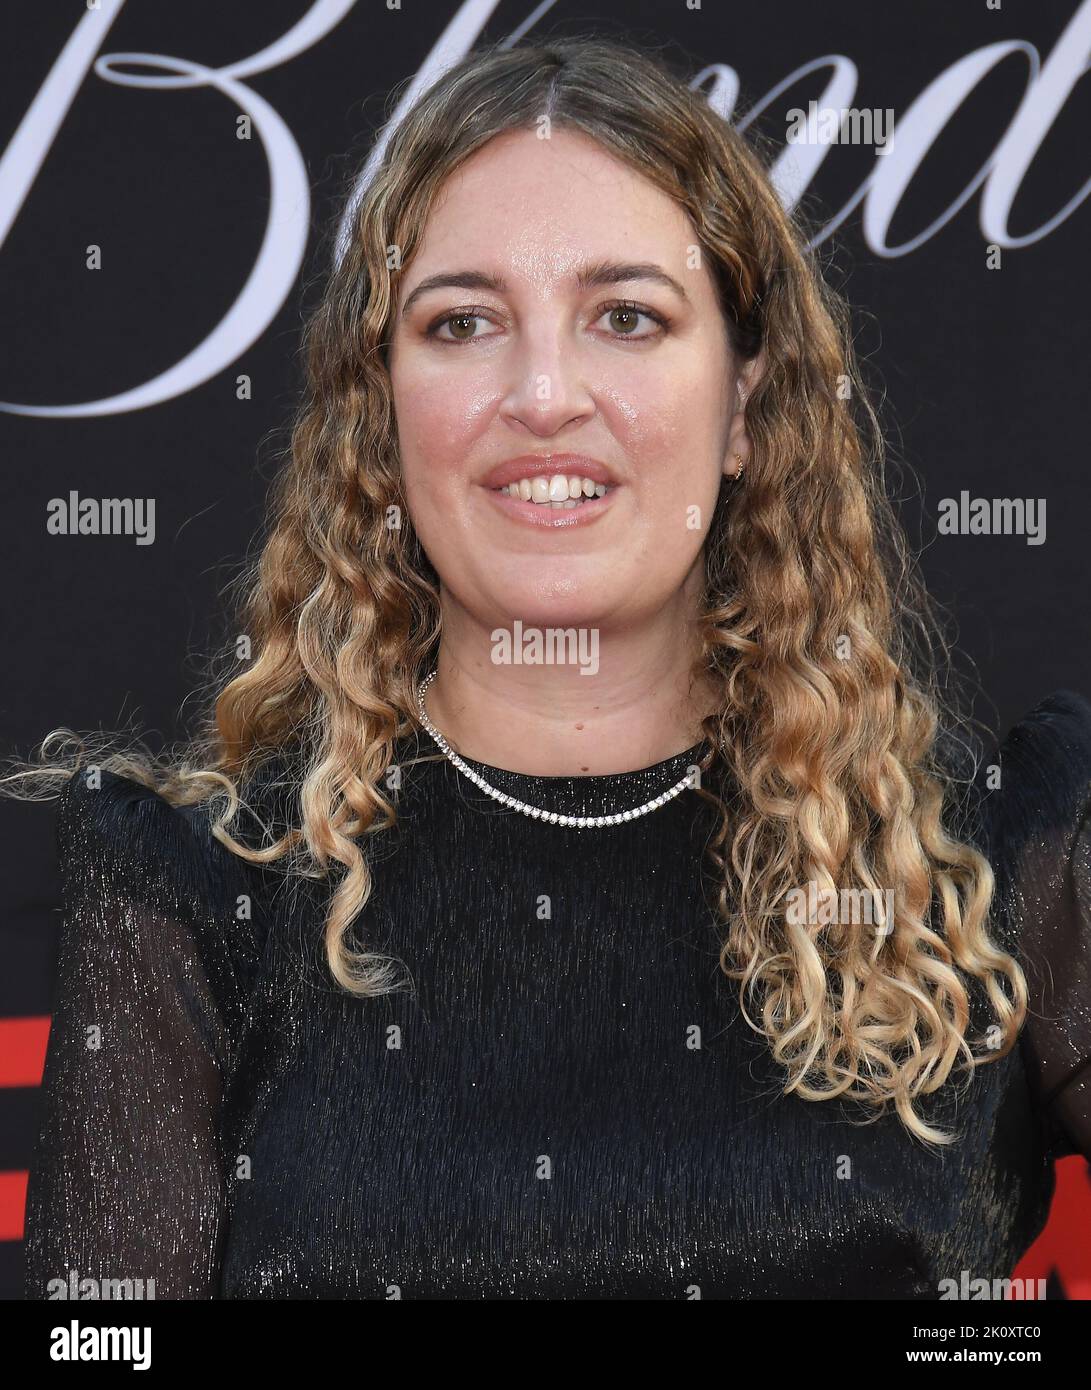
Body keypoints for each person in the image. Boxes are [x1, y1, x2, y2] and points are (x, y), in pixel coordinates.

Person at [10, 36, 1091, 1301]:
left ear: (746, 403)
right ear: (382, 402)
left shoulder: (991, 851)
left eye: (625, 317)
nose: (541, 393)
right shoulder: (195, 886)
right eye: (461, 322)